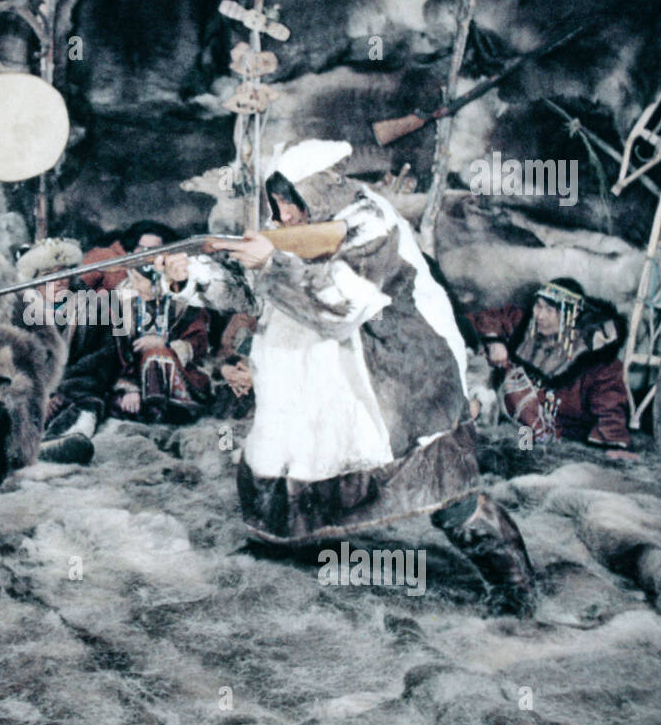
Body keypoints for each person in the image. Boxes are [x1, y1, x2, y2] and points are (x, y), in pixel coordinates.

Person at [177, 139, 535, 616]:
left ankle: (513, 585)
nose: (283, 213)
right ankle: (284, 548)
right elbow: (251, 293)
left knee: (437, 481)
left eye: (291, 201)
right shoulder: (288, 231)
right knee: (290, 459)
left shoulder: (371, 226)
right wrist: (187, 275)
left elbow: (339, 306)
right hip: (324, 374)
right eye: (277, 202)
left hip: (399, 372)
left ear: (317, 193)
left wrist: (270, 265)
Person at [469, 278, 636, 459]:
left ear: (570, 315)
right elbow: (485, 319)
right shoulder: (525, 325)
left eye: (550, 310)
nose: (540, 315)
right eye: (538, 306)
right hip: (507, 416)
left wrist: (615, 442)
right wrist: (495, 341)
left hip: (553, 437)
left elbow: (609, 406)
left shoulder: (594, 357)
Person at [14, 239, 120, 464]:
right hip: (31, 393)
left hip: (77, 391)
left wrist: (62, 392)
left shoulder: (93, 308)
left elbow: (102, 358)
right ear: (35, 278)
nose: (59, 279)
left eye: (63, 272)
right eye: (49, 273)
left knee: (84, 416)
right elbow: (13, 361)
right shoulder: (17, 311)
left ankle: (61, 445)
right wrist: (42, 395)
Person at [108, 254, 211, 425]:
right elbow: (116, 350)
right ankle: (151, 408)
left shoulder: (186, 304)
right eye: (132, 279)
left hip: (181, 376)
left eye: (140, 280)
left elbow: (199, 342)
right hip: (130, 377)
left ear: (158, 282)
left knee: (156, 354)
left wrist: (166, 345)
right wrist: (129, 388)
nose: (134, 285)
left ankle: (159, 410)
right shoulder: (122, 304)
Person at [79, 220, 181, 294]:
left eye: (152, 250)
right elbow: (80, 284)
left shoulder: (163, 268)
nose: (146, 253)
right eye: (142, 248)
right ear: (133, 245)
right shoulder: (106, 256)